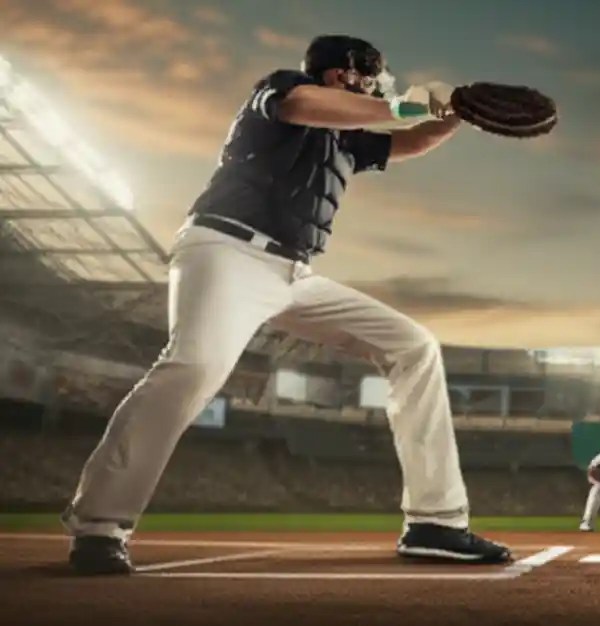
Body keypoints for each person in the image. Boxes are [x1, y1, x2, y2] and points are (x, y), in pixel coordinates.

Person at [62, 35, 510, 574]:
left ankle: (436, 522)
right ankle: (100, 524)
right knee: (194, 367)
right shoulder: (284, 88)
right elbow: (308, 107)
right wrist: (405, 104)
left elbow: (412, 142)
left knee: (413, 346)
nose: (376, 83)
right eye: (368, 76)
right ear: (343, 73)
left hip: (294, 273)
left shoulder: (346, 140)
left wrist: (456, 112)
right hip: (225, 250)